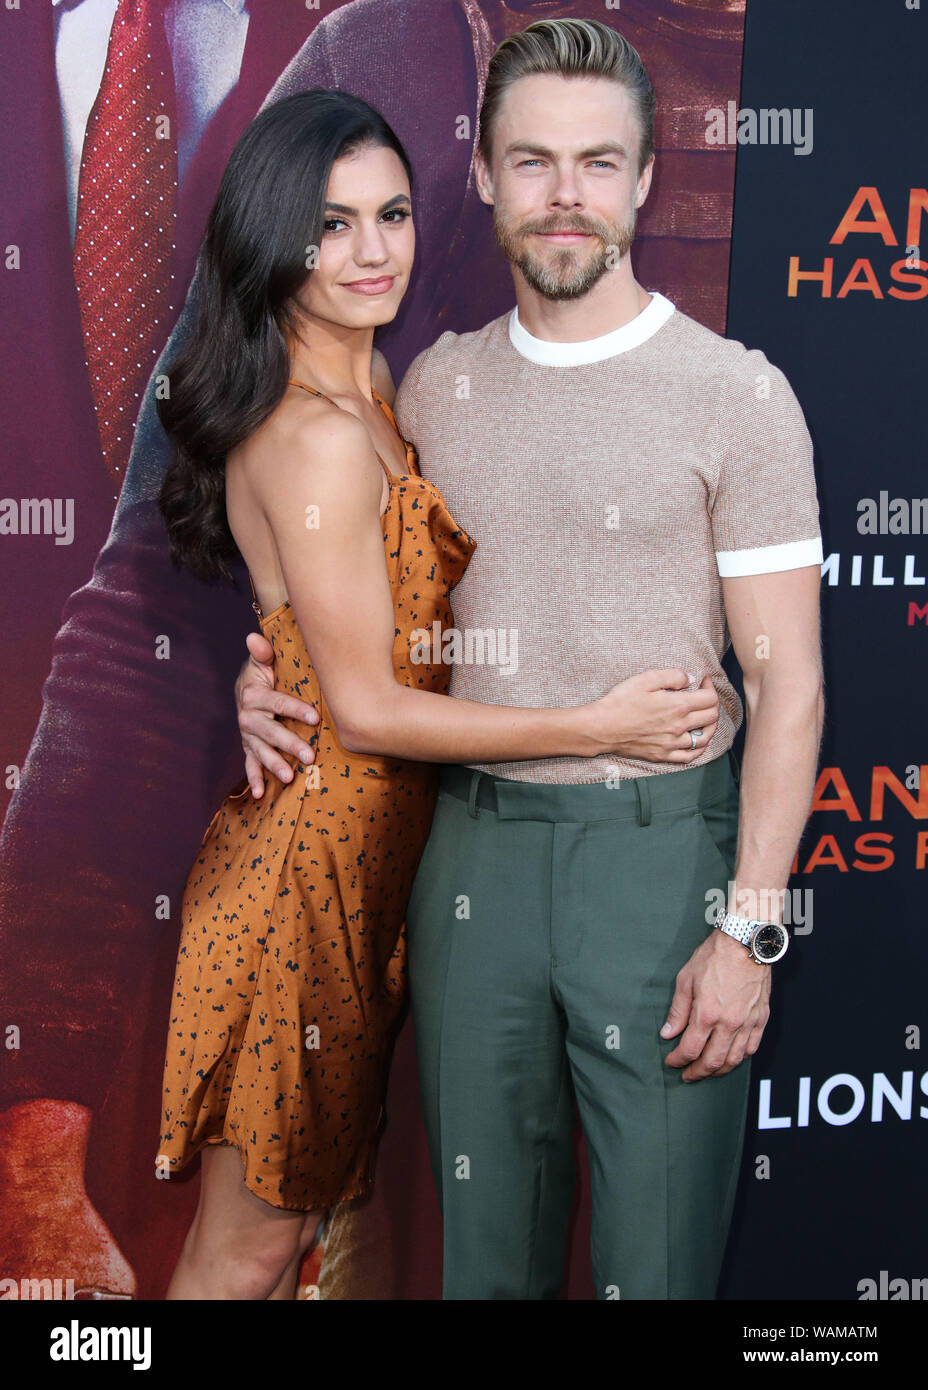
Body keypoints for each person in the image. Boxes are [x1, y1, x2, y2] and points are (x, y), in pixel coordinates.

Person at [236, 19, 825, 1300]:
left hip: (663, 869)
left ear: (644, 182)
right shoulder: (426, 393)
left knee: (656, 1271)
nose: (567, 196)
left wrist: (749, 930)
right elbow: (351, 612)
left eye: (599, 164)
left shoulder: (738, 395)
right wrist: (264, 668)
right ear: (486, 180)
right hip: (469, 869)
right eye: (536, 161)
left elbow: (789, 686)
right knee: (483, 1268)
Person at [154, 85, 720, 1301]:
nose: (372, 252)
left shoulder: (381, 395)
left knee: (306, 1243)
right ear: (270, 240)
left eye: (392, 214)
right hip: (302, 885)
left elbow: (339, 636)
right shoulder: (313, 431)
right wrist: (596, 725)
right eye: (330, 226)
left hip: (379, 875)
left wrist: (269, 658)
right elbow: (364, 709)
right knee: (246, 1250)